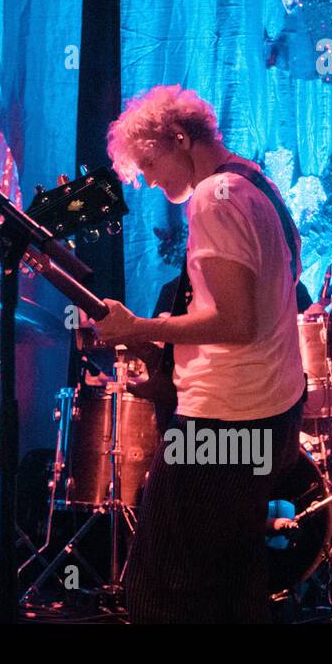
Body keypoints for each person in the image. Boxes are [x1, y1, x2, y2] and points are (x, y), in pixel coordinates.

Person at [94, 85, 305, 622]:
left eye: (149, 163)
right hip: (268, 414)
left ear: (180, 138)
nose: (147, 179)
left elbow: (234, 323)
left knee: (162, 587)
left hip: (223, 421)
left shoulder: (217, 197)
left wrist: (138, 325)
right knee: (231, 583)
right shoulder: (260, 184)